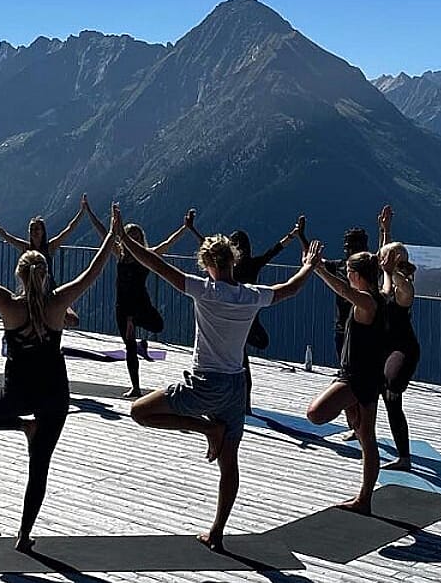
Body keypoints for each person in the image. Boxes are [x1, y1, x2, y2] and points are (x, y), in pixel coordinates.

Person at [118, 205, 321, 551]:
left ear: (208, 266)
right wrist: (308, 266)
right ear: (232, 261)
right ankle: (217, 532)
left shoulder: (204, 290)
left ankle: (205, 429)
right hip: (235, 389)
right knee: (229, 464)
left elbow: (156, 265)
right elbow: (289, 289)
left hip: (203, 385)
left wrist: (122, 237)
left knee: (140, 411)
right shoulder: (251, 296)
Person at [0, 205, 117, 551]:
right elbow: (93, 271)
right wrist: (112, 234)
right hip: (55, 396)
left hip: (16, 395)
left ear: (19, 274)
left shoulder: (8, 305)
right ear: (46, 276)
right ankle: (24, 536)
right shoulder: (58, 303)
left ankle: (22, 427)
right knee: (39, 468)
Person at [186, 211, 304, 412]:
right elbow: (275, 250)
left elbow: (209, 248)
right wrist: (294, 236)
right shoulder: (254, 262)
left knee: (241, 361)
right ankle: (246, 403)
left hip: (229, 318)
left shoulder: (227, 266)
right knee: (246, 358)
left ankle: (243, 403)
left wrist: (192, 230)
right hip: (249, 312)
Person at [305, 248, 387, 514]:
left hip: (356, 378)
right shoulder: (382, 295)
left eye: (349, 273)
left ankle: (364, 499)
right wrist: (384, 232)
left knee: (315, 413)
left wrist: (317, 268)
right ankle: (364, 500)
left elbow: (343, 291)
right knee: (366, 436)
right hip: (368, 376)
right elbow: (382, 275)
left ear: (355, 274)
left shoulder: (367, 302)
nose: (347, 277)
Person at [83, 202, 189, 396]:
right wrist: (89, 212)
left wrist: (185, 228)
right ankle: (136, 387)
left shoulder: (147, 256)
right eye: (131, 237)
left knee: (158, 325)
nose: (134, 240)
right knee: (129, 347)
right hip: (122, 307)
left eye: (138, 237)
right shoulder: (120, 253)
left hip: (141, 305)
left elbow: (167, 244)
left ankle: (138, 333)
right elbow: (103, 232)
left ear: (142, 239)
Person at [0, 196, 89, 322]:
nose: (34, 232)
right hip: (30, 292)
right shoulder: (26, 248)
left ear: (43, 231)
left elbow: (69, 229)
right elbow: (5, 235)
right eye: (32, 229)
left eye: (37, 229)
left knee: (72, 320)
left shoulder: (50, 247)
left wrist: (82, 212)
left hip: (49, 290)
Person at [376, 205, 420, 471]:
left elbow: (394, 279)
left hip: (403, 349)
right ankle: (403, 457)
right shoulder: (389, 278)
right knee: (389, 400)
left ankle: (404, 458)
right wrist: (386, 231)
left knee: (392, 392)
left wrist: (391, 265)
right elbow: (385, 263)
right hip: (385, 347)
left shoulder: (405, 286)